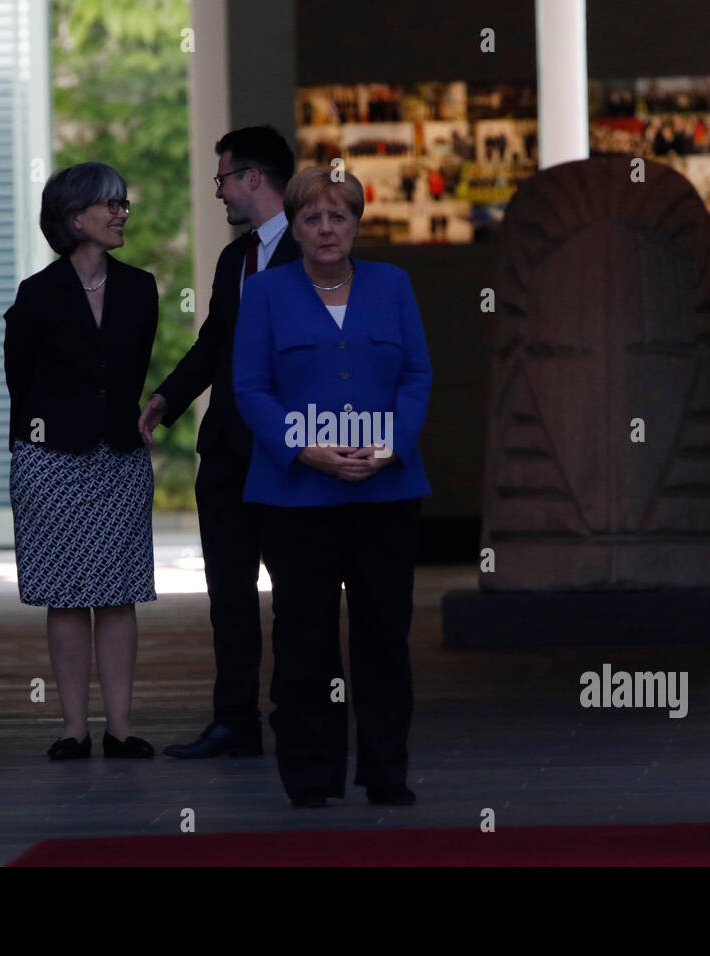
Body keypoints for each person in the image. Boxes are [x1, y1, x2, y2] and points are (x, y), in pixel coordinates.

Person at [232, 167, 432, 808]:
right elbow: (249, 388)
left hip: (386, 490)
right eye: (313, 218)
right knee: (303, 634)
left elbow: (417, 376)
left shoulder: (393, 285)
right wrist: (302, 448)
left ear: (356, 223)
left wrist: (390, 446)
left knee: (384, 633)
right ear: (293, 225)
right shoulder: (264, 293)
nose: (326, 229)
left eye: (339, 217)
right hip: (296, 495)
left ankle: (385, 770)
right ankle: (310, 775)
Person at [139, 126, 301, 760]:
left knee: (295, 592)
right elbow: (214, 342)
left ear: (254, 179)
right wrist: (165, 399)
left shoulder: (313, 246)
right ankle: (235, 720)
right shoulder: (235, 259)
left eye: (224, 179)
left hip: (290, 453)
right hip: (227, 454)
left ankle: (297, 716)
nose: (219, 193)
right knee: (228, 595)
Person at [4, 162, 158, 760]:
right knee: (65, 596)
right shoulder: (36, 295)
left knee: (117, 595)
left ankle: (120, 728)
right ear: (75, 218)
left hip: (118, 458)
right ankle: (74, 729)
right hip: (51, 462)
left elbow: (127, 376)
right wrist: (38, 447)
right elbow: (22, 384)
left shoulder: (140, 287)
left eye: (124, 202)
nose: (122, 212)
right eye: (110, 203)